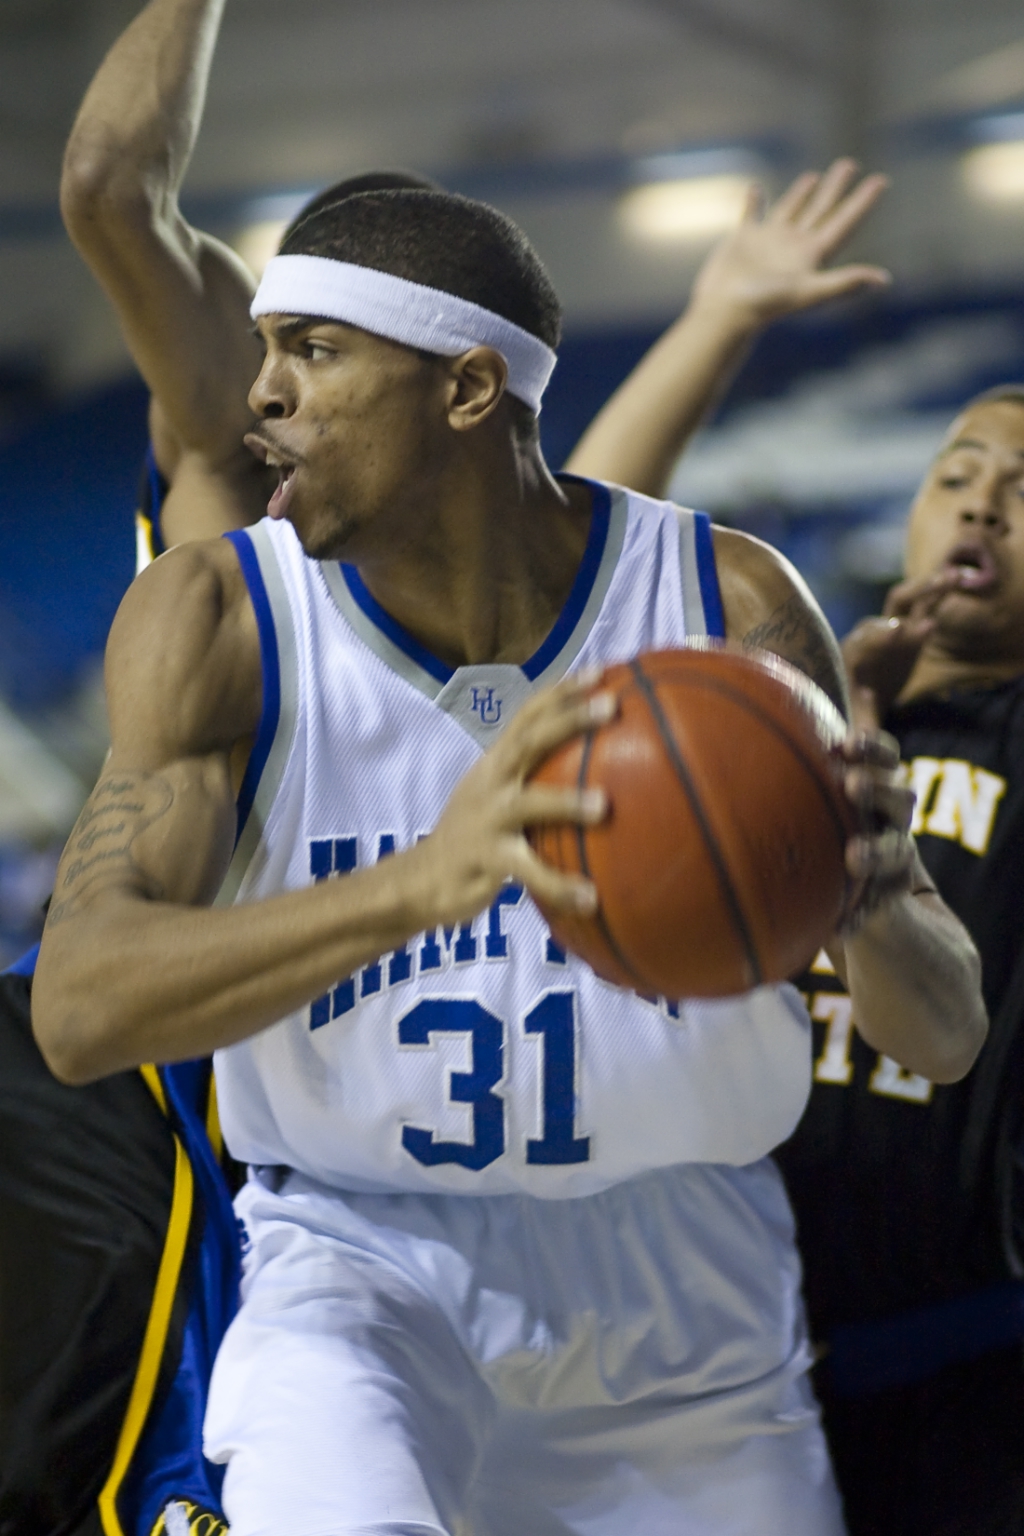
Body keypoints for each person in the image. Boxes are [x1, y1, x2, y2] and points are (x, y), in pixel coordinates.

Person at [31, 181, 984, 1536]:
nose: (262, 395)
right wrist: (421, 882)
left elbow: (943, 1034)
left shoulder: (731, 608)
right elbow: (78, 1006)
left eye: (313, 350)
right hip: (362, 1274)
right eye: (261, 351)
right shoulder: (219, 615)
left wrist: (875, 895)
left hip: (689, 1306)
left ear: (469, 389)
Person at [570, 256, 1024, 1526]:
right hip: (705, 1328)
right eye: (955, 478)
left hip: (953, 1360)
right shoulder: (784, 708)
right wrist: (717, 319)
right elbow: (592, 538)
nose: (980, 509)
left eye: (1022, 492)